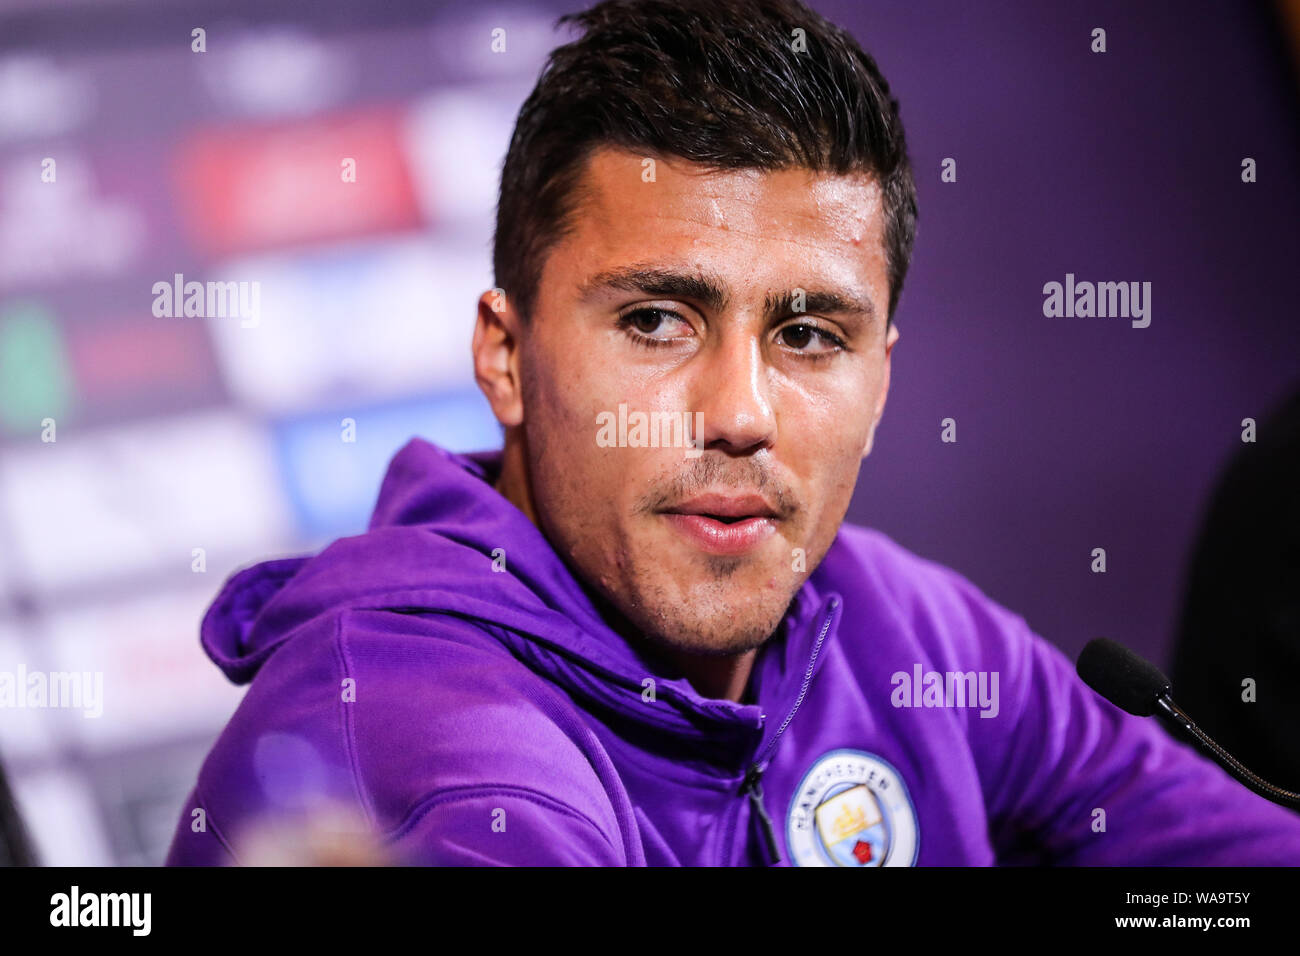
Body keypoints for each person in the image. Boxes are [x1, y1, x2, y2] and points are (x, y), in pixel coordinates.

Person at [166, 0, 1300, 865]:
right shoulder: (456, 770)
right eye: (657, 320)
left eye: (809, 334)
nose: (742, 413)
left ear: (883, 376)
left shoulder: (898, 629)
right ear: (506, 358)